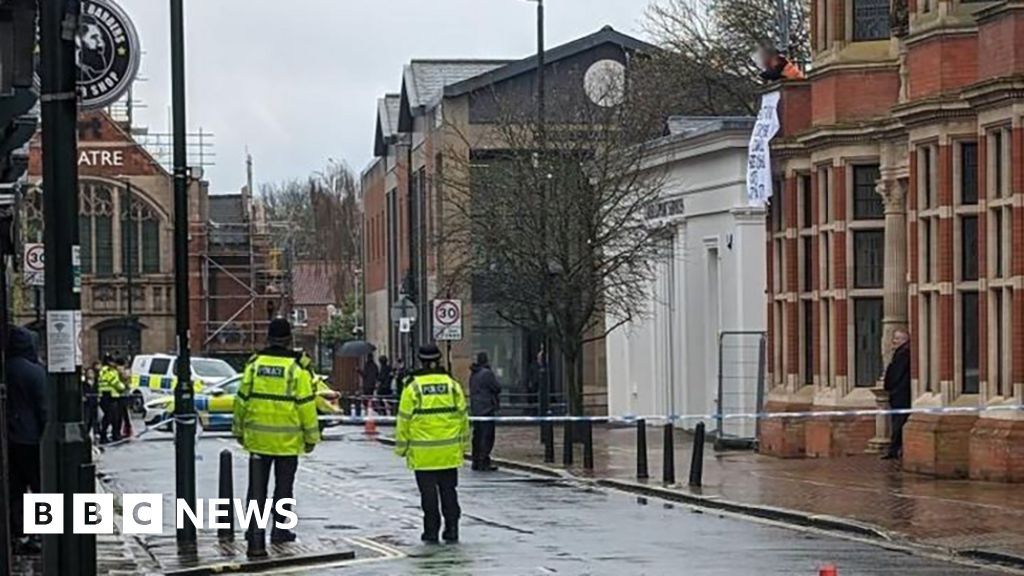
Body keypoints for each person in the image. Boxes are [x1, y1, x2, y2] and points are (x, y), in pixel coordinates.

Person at [233, 318, 321, 558]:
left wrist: (238, 430)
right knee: (284, 488)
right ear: (289, 339)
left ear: (268, 338)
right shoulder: (297, 369)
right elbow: (306, 407)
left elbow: (241, 400)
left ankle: (253, 531)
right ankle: (281, 530)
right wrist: (311, 437)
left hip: (258, 439)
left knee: (256, 488)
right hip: (287, 441)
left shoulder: (254, 365)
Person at [395, 344, 470, 544]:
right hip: (448, 452)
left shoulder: (413, 387)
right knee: (449, 492)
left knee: (428, 495)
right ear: (439, 360)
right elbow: (463, 416)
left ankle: (431, 531)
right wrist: (463, 445)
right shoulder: (452, 385)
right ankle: (452, 528)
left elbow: (404, 419)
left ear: (421, 361)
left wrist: (402, 448)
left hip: (423, 453)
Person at [6, 326, 47, 554]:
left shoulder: (6, 369)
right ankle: (39, 535)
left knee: (15, 489)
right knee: (41, 488)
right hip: (32, 441)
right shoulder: (35, 372)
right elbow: (43, 408)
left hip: (9, 440)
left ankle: (16, 533)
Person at [469, 352, 501, 471]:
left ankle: (476, 460)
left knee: (477, 436)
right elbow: (497, 388)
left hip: (476, 408)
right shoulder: (487, 373)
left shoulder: (474, 373)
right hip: (486, 408)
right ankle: (484, 460)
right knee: (486, 436)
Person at [883, 329, 911, 460]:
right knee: (897, 422)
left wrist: (892, 387)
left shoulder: (903, 354)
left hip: (901, 394)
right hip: (898, 393)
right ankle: (895, 448)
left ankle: (894, 449)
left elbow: (896, 373)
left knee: (898, 422)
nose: (894, 341)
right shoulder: (900, 353)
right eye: (895, 338)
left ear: (904, 340)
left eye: (897, 339)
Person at [98, 354, 126, 444]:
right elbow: (115, 382)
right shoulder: (108, 371)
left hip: (108, 396)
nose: (115, 364)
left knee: (112, 417)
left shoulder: (104, 370)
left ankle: (112, 435)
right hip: (109, 396)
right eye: (113, 361)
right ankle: (107, 435)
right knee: (110, 417)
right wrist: (123, 387)